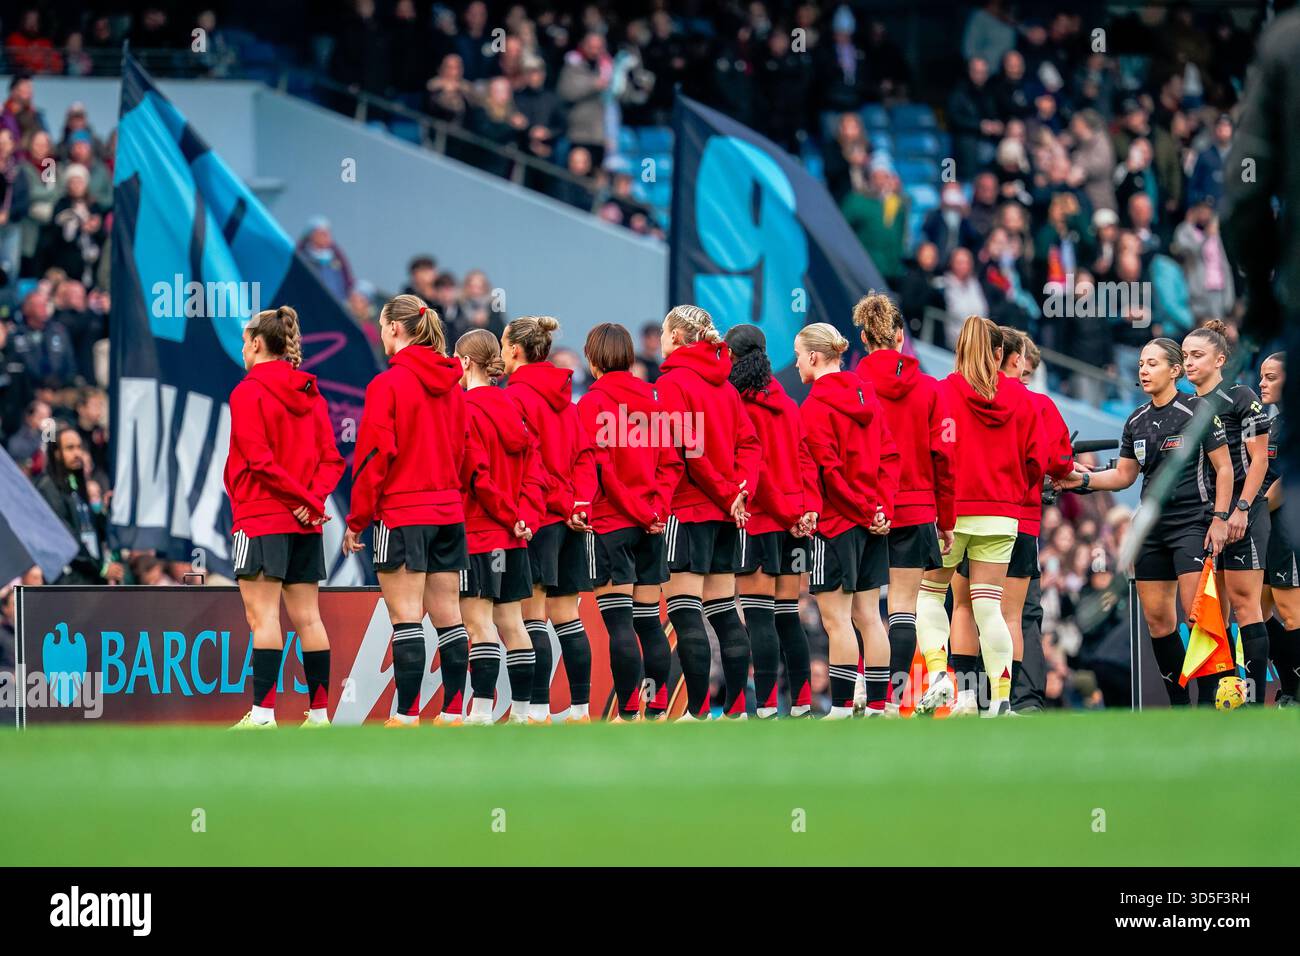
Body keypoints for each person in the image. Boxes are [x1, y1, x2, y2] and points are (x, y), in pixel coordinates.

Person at [1055, 338, 1234, 706]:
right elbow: (1123, 476)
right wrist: (1083, 479)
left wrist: (1219, 518)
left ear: (1175, 370)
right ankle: (1178, 702)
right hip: (1151, 528)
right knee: (1157, 621)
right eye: (1140, 364)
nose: (1143, 370)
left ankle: (1212, 696)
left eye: (1152, 364)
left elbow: (1225, 468)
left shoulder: (1199, 410)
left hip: (1193, 524)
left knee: (1196, 614)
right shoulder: (1135, 419)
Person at [343, 295, 471, 728]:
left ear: (395, 329)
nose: (380, 335)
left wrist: (357, 518)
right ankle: (455, 713)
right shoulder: (455, 385)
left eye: (381, 326)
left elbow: (374, 456)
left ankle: (407, 714)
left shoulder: (387, 385)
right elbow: (463, 452)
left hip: (402, 513)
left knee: (406, 619)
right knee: (451, 617)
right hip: (449, 512)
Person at [913, 317, 1041, 718]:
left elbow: (933, 455)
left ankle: (938, 676)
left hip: (951, 513)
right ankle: (1001, 700)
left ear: (958, 350)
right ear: (1000, 353)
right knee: (990, 607)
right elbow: (1037, 460)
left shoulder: (941, 392)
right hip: (1002, 515)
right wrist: (1013, 493)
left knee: (931, 596)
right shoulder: (1022, 398)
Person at [225, 306, 345, 729]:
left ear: (257, 343)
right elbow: (333, 460)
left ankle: (262, 715)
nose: (243, 349)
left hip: (260, 517)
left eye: (245, 341)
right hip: (305, 523)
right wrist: (311, 501)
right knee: (309, 617)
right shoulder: (312, 394)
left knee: (264, 618)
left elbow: (258, 460)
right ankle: (319, 715)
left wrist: (301, 499)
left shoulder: (246, 392)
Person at [572, 323, 682, 720]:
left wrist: (638, 511)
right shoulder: (653, 399)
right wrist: (657, 511)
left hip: (611, 525)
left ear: (594, 357)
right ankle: (655, 707)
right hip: (651, 526)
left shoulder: (590, 404)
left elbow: (600, 471)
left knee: (619, 625)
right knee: (650, 623)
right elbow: (671, 463)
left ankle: (628, 710)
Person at [656, 305, 760, 720]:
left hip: (689, 510)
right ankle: (734, 711)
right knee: (724, 613)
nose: (661, 339)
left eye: (665, 331)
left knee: (684, 611)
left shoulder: (672, 384)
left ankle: (696, 713)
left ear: (678, 337)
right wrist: (741, 491)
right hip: (725, 516)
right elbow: (750, 444)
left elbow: (687, 450)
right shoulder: (727, 387)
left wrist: (724, 493)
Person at [853, 294, 954, 712]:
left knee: (860, 611)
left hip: (862, 510)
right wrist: (945, 519)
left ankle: (865, 692)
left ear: (862, 338)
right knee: (904, 611)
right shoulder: (931, 389)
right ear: (899, 337)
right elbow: (944, 458)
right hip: (915, 510)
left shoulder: (852, 387)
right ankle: (893, 701)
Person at [797, 322, 900, 718]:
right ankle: (876, 707)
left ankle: (840, 708)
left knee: (837, 621)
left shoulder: (814, 408)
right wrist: (881, 509)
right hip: (873, 521)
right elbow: (890, 456)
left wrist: (862, 511)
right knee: (870, 618)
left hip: (836, 525)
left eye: (798, 355)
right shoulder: (867, 396)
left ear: (813, 357)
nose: (797, 363)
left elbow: (829, 471)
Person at [725, 324, 821, 718]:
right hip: (794, 523)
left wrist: (786, 513)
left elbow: (754, 472)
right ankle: (800, 703)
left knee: (759, 617)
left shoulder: (738, 406)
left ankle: (763, 705)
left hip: (762, 519)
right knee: (788, 617)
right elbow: (804, 458)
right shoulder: (788, 402)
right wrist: (806, 511)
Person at [502, 316, 594, 723]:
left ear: (516, 351)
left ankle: (537, 709)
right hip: (570, 519)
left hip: (539, 517)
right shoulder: (566, 397)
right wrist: (580, 504)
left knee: (532, 615)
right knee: (568, 616)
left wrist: (558, 504)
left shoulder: (515, 397)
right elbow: (585, 456)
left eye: (504, 347)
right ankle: (580, 709)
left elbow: (531, 464)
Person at [454, 329, 548, 725]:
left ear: (465, 363)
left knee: (479, 626)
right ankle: (524, 713)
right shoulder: (514, 408)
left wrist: (511, 516)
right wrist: (524, 517)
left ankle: (480, 712)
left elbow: (477, 476)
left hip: (479, 533)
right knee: (513, 624)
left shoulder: (464, 409)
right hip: (513, 539)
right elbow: (534, 472)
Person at [1182, 321, 1272, 704]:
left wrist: (1241, 510)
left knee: (1244, 604)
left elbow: (1259, 462)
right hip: (1202, 515)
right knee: (1206, 610)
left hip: (1242, 513)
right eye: (1184, 356)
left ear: (1220, 360)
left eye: (1197, 356)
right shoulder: (1183, 405)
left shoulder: (1241, 396)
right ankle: (1217, 698)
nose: (1188, 363)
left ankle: (1250, 698)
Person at [998, 329, 1074, 712]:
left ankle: (977, 695)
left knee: (969, 609)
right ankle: (1023, 700)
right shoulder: (1037, 405)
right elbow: (1059, 461)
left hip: (965, 522)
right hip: (1020, 522)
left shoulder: (959, 395)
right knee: (1023, 614)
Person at [1258, 353, 1300, 706]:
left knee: (1290, 613)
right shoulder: (1272, 423)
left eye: (1270, 377)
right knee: (1257, 610)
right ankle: (1289, 688)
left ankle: (1294, 690)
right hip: (1265, 527)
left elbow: (1285, 483)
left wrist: (1249, 508)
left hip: (1286, 528)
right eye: (1262, 377)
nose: (1262, 384)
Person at [36, 423, 121, 586]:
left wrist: (107, 511)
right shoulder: (48, 487)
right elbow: (65, 537)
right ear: (56, 453)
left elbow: (92, 530)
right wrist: (100, 568)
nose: (77, 453)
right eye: (69, 448)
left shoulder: (78, 484)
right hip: (69, 581)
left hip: (90, 577)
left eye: (79, 447)